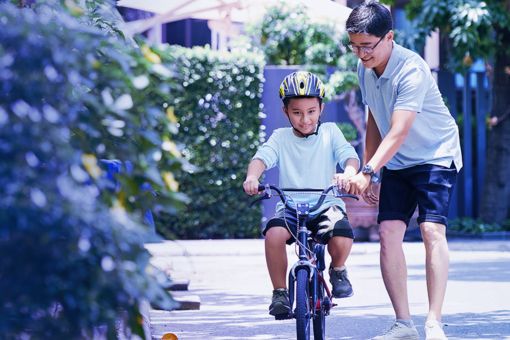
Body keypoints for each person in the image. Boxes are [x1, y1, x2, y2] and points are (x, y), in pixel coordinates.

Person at [345, 2, 463, 340]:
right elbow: (374, 117)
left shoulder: (412, 69)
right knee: (388, 234)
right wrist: (372, 165)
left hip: (434, 155)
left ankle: (434, 322)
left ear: (389, 37)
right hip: (396, 160)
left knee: (430, 231)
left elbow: (398, 129)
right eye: (355, 45)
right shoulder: (363, 68)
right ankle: (403, 324)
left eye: (367, 45)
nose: (361, 52)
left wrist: (367, 170)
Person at [243, 71, 360, 317]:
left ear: (321, 108)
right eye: (297, 112)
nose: (305, 119)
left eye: (311, 111)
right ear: (286, 112)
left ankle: (338, 270)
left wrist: (348, 173)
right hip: (290, 206)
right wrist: (253, 176)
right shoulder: (281, 138)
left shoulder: (330, 132)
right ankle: (280, 293)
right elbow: (261, 158)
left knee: (341, 233)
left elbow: (348, 155)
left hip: (325, 203)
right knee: (273, 235)